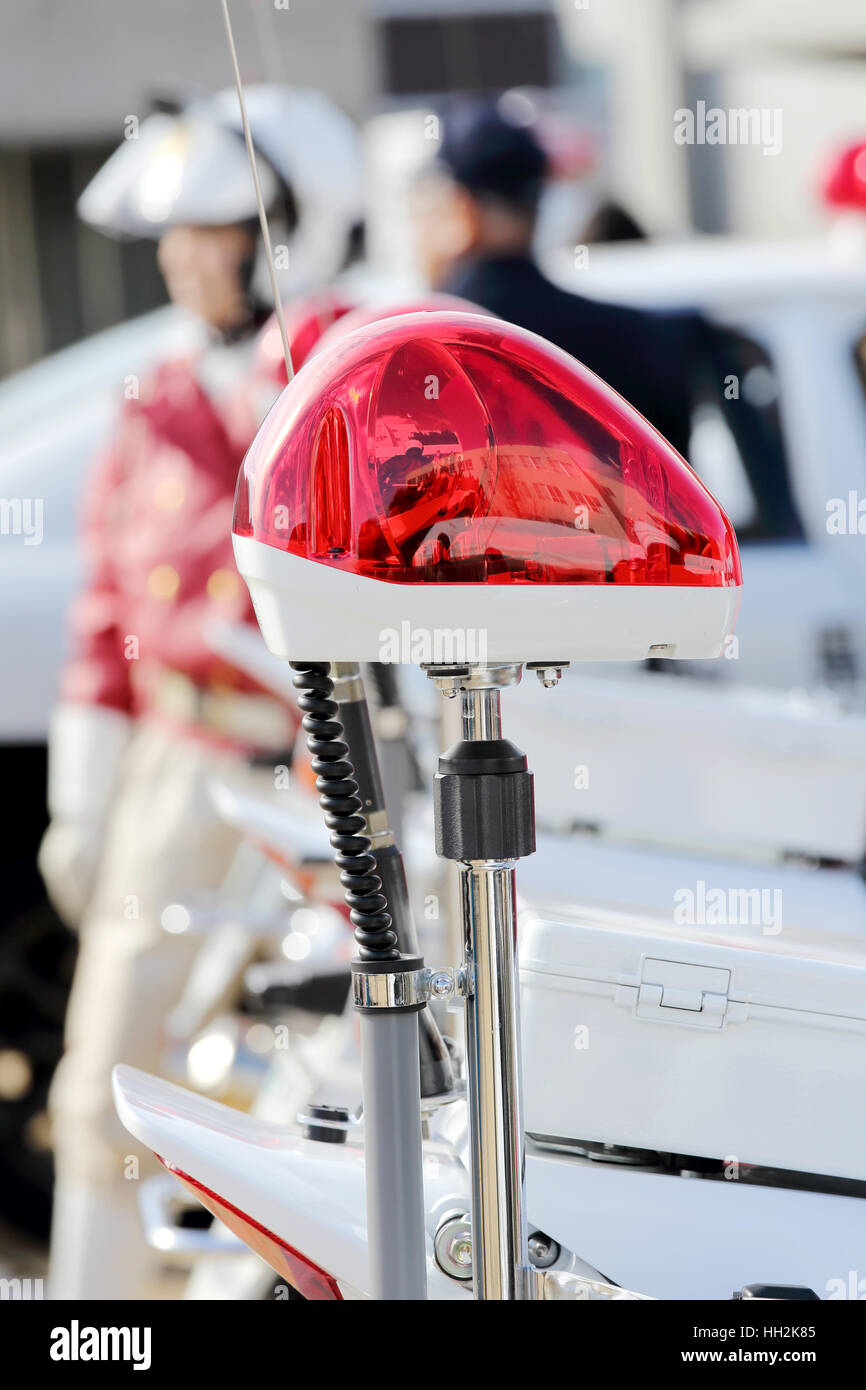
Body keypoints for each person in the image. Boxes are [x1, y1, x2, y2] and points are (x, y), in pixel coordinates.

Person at [39, 86, 362, 1300]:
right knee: (109, 1082)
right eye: (175, 234)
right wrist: (86, 793)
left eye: (211, 230)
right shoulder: (158, 400)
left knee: (306, 1102)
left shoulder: (338, 373)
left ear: (280, 229)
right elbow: (104, 618)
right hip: (183, 778)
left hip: (329, 784)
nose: (179, 260)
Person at [412, 98, 697, 457]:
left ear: (461, 213)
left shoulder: (416, 356)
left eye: (421, 213)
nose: (416, 234)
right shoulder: (642, 340)